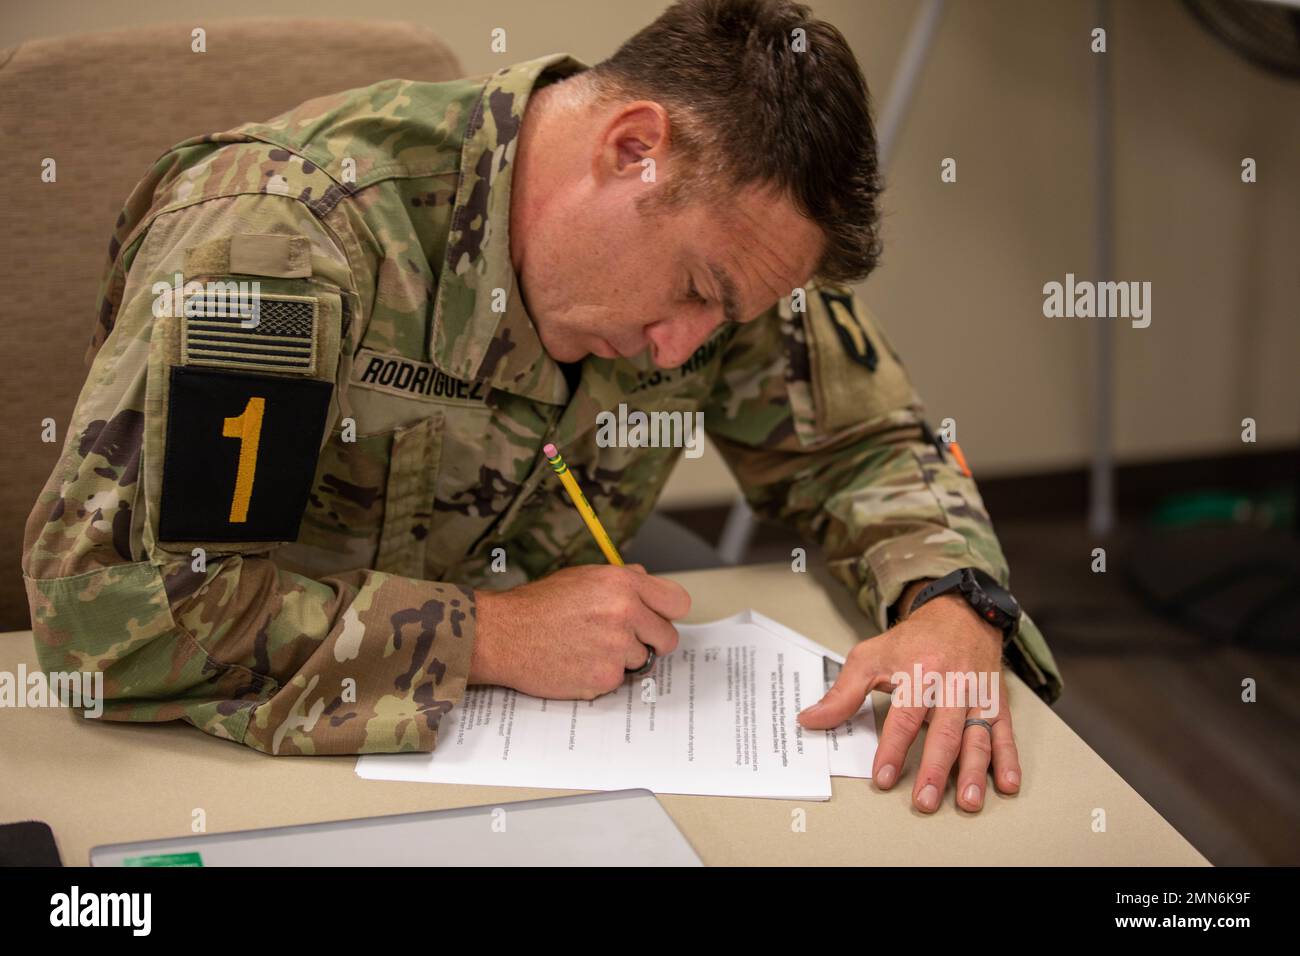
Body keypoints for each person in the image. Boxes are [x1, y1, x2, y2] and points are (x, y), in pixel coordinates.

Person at [22, 0, 1060, 814]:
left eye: (728, 311)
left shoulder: (725, 247)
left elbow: (865, 446)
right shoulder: (281, 244)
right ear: (632, 148)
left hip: (565, 740)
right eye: (697, 291)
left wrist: (951, 601)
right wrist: (483, 635)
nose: (684, 346)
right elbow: (109, 615)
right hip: (275, 757)